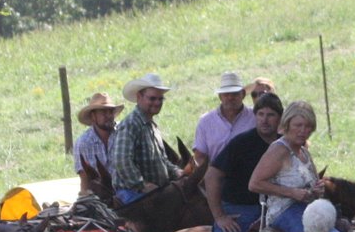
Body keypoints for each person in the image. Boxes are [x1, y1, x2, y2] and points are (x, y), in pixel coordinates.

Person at [249, 100, 354, 232]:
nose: (303, 131)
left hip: (307, 208)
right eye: (298, 125)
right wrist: (292, 193)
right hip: (284, 212)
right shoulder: (279, 150)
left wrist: (316, 190)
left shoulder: (303, 151)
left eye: (307, 126)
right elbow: (254, 184)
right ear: (287, 124)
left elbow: (309, 185)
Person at [207, 92, 284, 232]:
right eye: (260, 114)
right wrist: (219, 216)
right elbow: (212, 175)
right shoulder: (241, 143)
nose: (264, 120)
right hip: (239, 209)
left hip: (276, 209)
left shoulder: (285, 145)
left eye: (270, 115)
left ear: (280, 118)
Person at [109, 72, 181, 205]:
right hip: (132, 193)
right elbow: (122, 161)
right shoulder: (130, 124)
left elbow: (161, 160)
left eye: (160, 99)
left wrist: (177, 172)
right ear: (139, 97)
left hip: (153, 191)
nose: (157, 102)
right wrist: (142, 185)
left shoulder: (151, 126)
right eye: (152, 98)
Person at [192, 71, 255, 166]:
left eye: (234, 94)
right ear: (220, 96)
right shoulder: (205, 122)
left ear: (243, 94)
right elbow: (199, 156)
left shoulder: (255, 117)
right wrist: (210, 173)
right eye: (226, 94)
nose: (230, 98)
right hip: (214, 172)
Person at [72, 92, 123, 196]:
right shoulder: (83, 143)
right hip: (100, 195)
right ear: (93, 116)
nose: (109, 116)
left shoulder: (123, 134)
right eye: (103, 112)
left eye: (111, 111)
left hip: (126, 191)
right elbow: (84, 178)